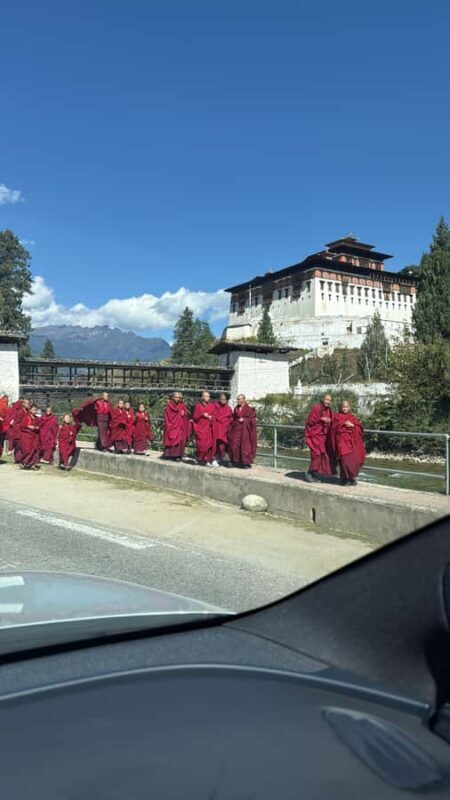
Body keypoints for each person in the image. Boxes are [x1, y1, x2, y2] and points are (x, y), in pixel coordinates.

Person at [331, 400, 366, 486]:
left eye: (346, 407)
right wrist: (342, 423)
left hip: (352, 443)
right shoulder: (337, 416)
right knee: (344, 461)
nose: (345, 409)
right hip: (341, 442)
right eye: (343, 407)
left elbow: (359, 428)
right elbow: (333, 428)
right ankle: (344, 479)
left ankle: (351, 478)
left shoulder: (352, 417)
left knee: (354, 461)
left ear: (349, 407)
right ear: (340, 407)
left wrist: (352, 425)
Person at [304, 393, 335, 482]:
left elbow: (331, 419)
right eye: (327, 400)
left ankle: (314, 473)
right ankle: (310, 473)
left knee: (322, 455)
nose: (328, 402)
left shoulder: (328, 410)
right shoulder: (317, 408)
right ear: (322, 399)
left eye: (329, 400)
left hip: (322, 436)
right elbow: (310, 421)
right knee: (316, 454)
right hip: (313, 435)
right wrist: (321, 419)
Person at [228, 394, 257, 468]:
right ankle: (235, 461)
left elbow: (253, 420)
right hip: (236, 430)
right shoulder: (236, 409)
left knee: (245, 447)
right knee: (234, 445)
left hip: (245, 432)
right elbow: (233, 418)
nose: (237, 401)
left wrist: (245, 420)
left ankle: (245, 462)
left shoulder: (249, 409)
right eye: (237, 399)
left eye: (239, 399)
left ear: (243, 399)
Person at [162, 391, 190, 461]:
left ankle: (177, 455)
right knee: (171, 439)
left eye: (178, 397)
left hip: (179, 426)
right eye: (176, 397)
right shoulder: (169, 405)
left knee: (179, 440)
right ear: (173, 397)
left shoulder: (180, 405)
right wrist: (179, 413)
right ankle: (169, 455)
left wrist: (184, 413)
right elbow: (169, 415)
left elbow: (186, 412)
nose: (178, 399)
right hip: (171, 425)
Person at [192, 391, 217, 466]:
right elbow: (195, 417)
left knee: (209, 444)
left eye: (208, 396)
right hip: (201, 428)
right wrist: (202, 415)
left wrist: (211, 417)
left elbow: (215, 416)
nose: (207, 398)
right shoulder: (198, 406)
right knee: (202, 445)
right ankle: (200, 458)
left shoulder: (212, 406)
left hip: (209, 428)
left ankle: (207, 460)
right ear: (202, 397)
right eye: (205, 396)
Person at [212, 392, 233, 465]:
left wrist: (226, 421)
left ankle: (223, 459)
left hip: (225, 429)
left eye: (225, 399)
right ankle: (215, 458)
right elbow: (213, 415)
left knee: (223, 445)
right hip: (217, 429)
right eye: (222, 399)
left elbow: (231, 418)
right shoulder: (215, 406)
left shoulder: (228, 408)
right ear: (219, 399)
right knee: (216, 444)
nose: (223, 401)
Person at [19, 402, 40, 470]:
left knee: (35, 450)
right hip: (27, 436)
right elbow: (22, 426)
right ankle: (23, 462)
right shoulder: (26, 416)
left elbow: (39, 426)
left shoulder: (36, 418)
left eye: (35, 410)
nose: (34, 411)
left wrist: (37, 427)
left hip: (34, 436)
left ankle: (32, 464)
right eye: (33, 409)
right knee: (27, 450)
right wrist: (29, 426)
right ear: (30, 410)